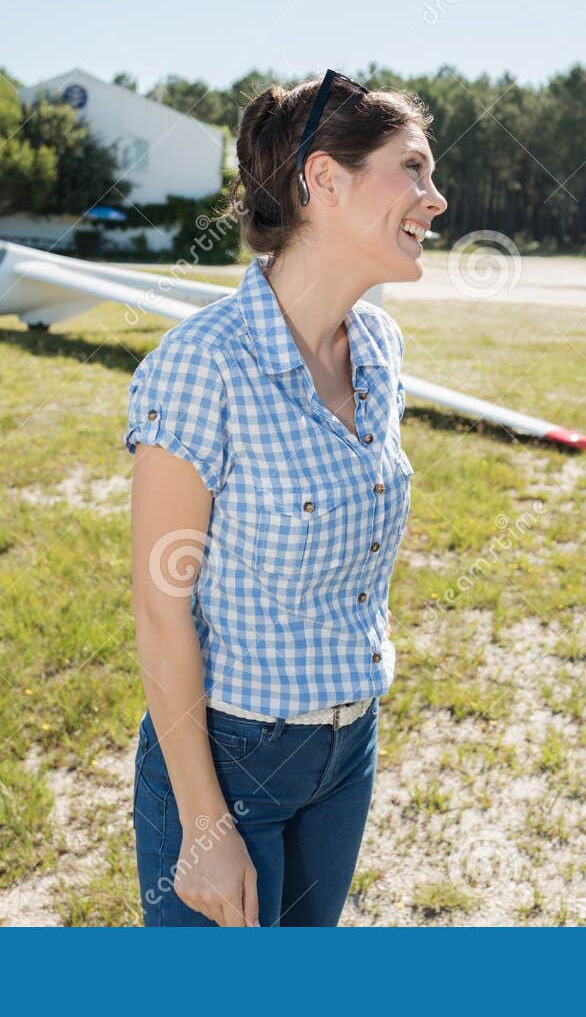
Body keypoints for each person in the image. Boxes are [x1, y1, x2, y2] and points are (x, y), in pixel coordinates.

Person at [126, 70, 447, 926]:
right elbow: (160, 613)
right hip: (231, 759)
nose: (436, 198)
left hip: (348, 751)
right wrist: (203, 824)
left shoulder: (379, 346)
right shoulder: (203, 363)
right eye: (413, 169)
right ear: (325, 181)